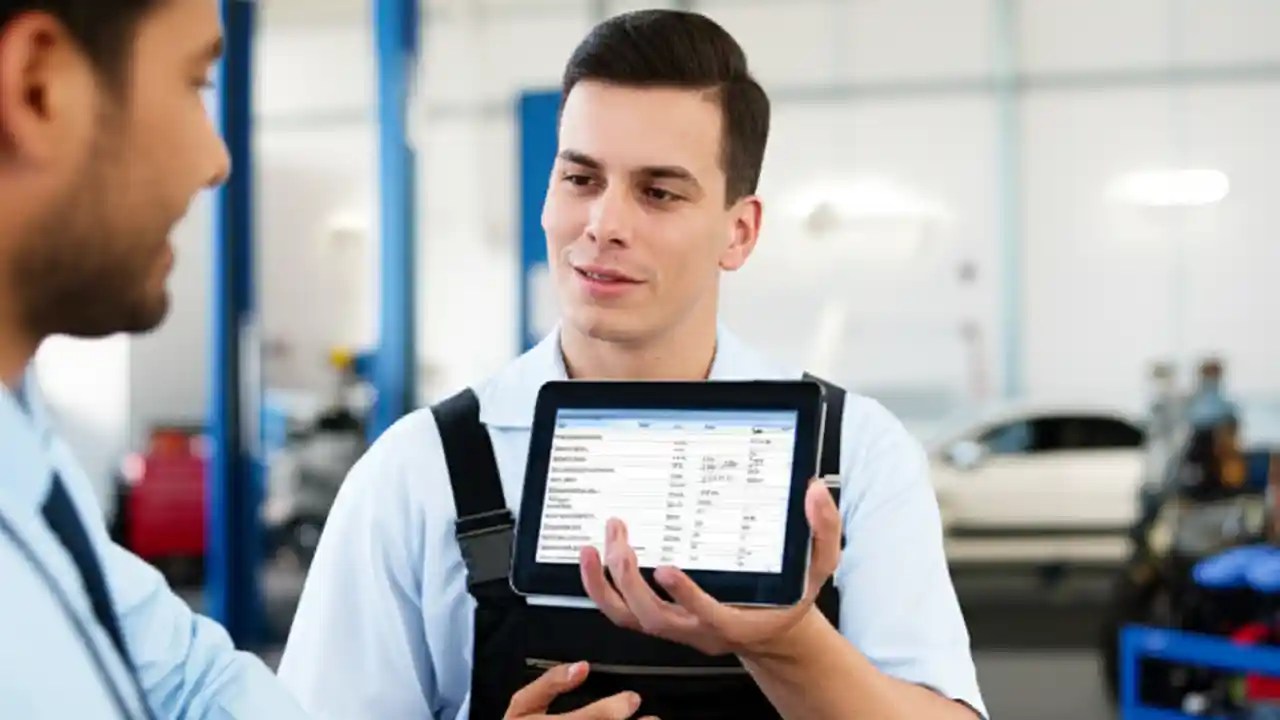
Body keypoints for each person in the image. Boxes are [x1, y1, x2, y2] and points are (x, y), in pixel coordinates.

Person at [279, 10, 985, 720]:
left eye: (659, 192)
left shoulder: (852, 458)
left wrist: (790, 642)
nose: (605, 223)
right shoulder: (418, 473)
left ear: (738, 232)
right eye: (581, 178)